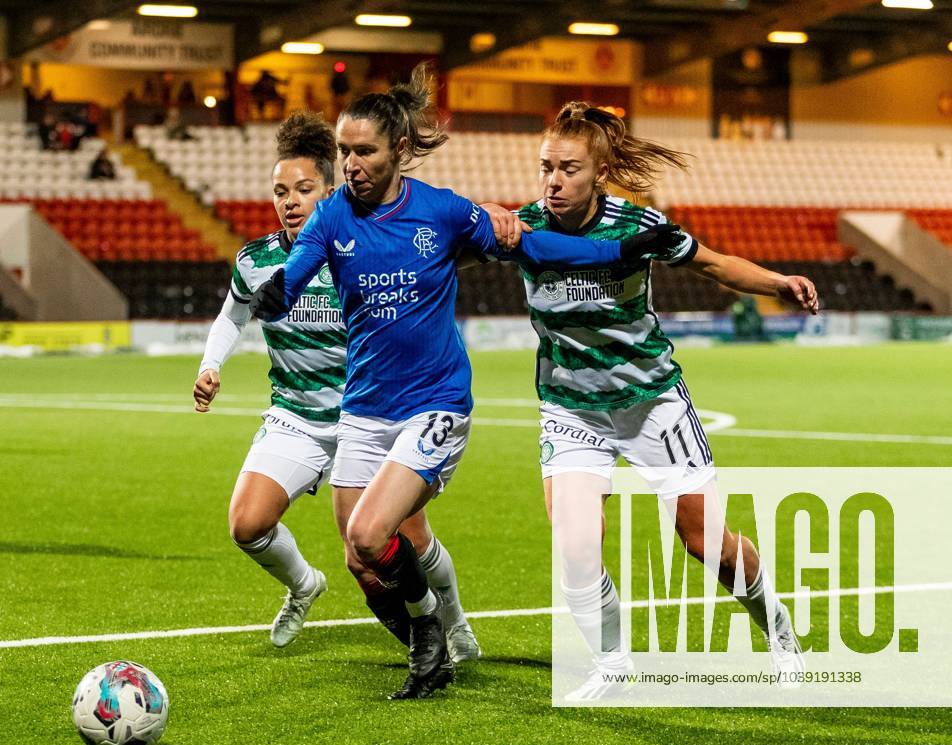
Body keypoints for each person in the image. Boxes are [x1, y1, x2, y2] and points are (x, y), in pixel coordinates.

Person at [249, 66, 684, 699]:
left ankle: (431, 632)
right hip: (365, 407)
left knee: (371, 533)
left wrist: (618, 251)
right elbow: (294, 275)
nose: (350, 165)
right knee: (359, 557)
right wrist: (276, 294)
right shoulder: (331, 217)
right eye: (344, 151)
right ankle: (436, 633)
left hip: (436, 404)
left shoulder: (442, 210)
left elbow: (536, 249)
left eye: (364, 151)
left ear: (400, 150)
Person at [496, 102, 818, 700]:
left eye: (568, 169)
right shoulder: (523, 228)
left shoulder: (638, 226)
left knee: (705, 543)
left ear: (599, 172)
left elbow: (716, 265)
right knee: (575, 544)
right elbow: (444, 247)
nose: (553, 181)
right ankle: (613, 666)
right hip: (571, 407)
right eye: (546, 167)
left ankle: (775, 623)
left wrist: (779, 282)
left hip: (651, 403)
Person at [192, 111, 480, 660]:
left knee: (407, 540)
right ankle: (304, 585)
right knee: (246, 525)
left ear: (329, 191)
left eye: (304, 189)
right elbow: (234, 314)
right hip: (297, 415)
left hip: (368, 415)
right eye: (280, 191)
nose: (290, 202)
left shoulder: (355, 247)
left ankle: (455, 623)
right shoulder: (257, 261)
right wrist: (212, 365)